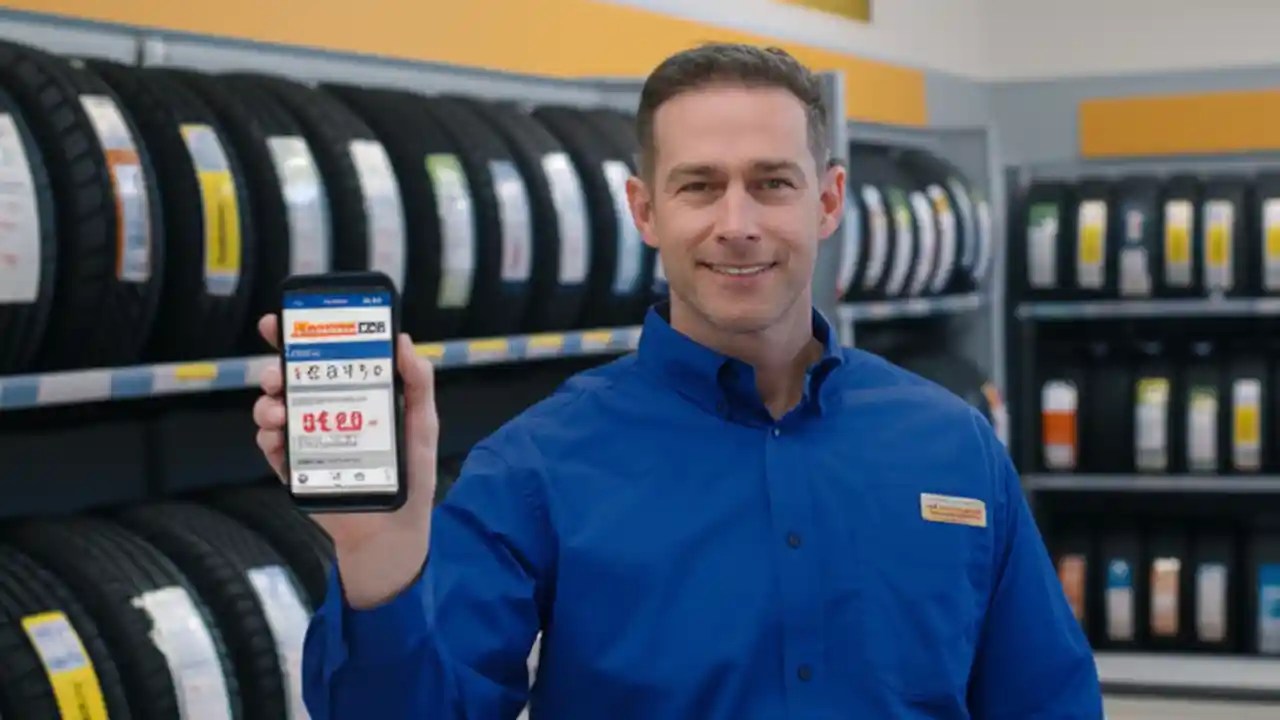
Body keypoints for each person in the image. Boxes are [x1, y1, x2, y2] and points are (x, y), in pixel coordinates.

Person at [252, 43, 1104, 719]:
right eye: (700, 187)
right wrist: (379, 561)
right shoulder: (541, 465)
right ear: (646, 210)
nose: (737, 224)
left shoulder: (951, 444)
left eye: (772, 183)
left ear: (830, 200)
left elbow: (1047, 701)